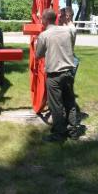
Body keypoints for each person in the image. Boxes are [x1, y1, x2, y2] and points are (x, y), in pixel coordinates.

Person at [36, 9, 78, 142]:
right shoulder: (68, 31)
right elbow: (71, 46)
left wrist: (36, 44)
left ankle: (59, 134)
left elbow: (38, 55)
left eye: (42, 19)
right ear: (55, 19)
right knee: (70, 102)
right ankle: (73, 131)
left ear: (45, 20)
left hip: (54, 75)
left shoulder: (44, 35)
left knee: (56, 105)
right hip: (69, 72)